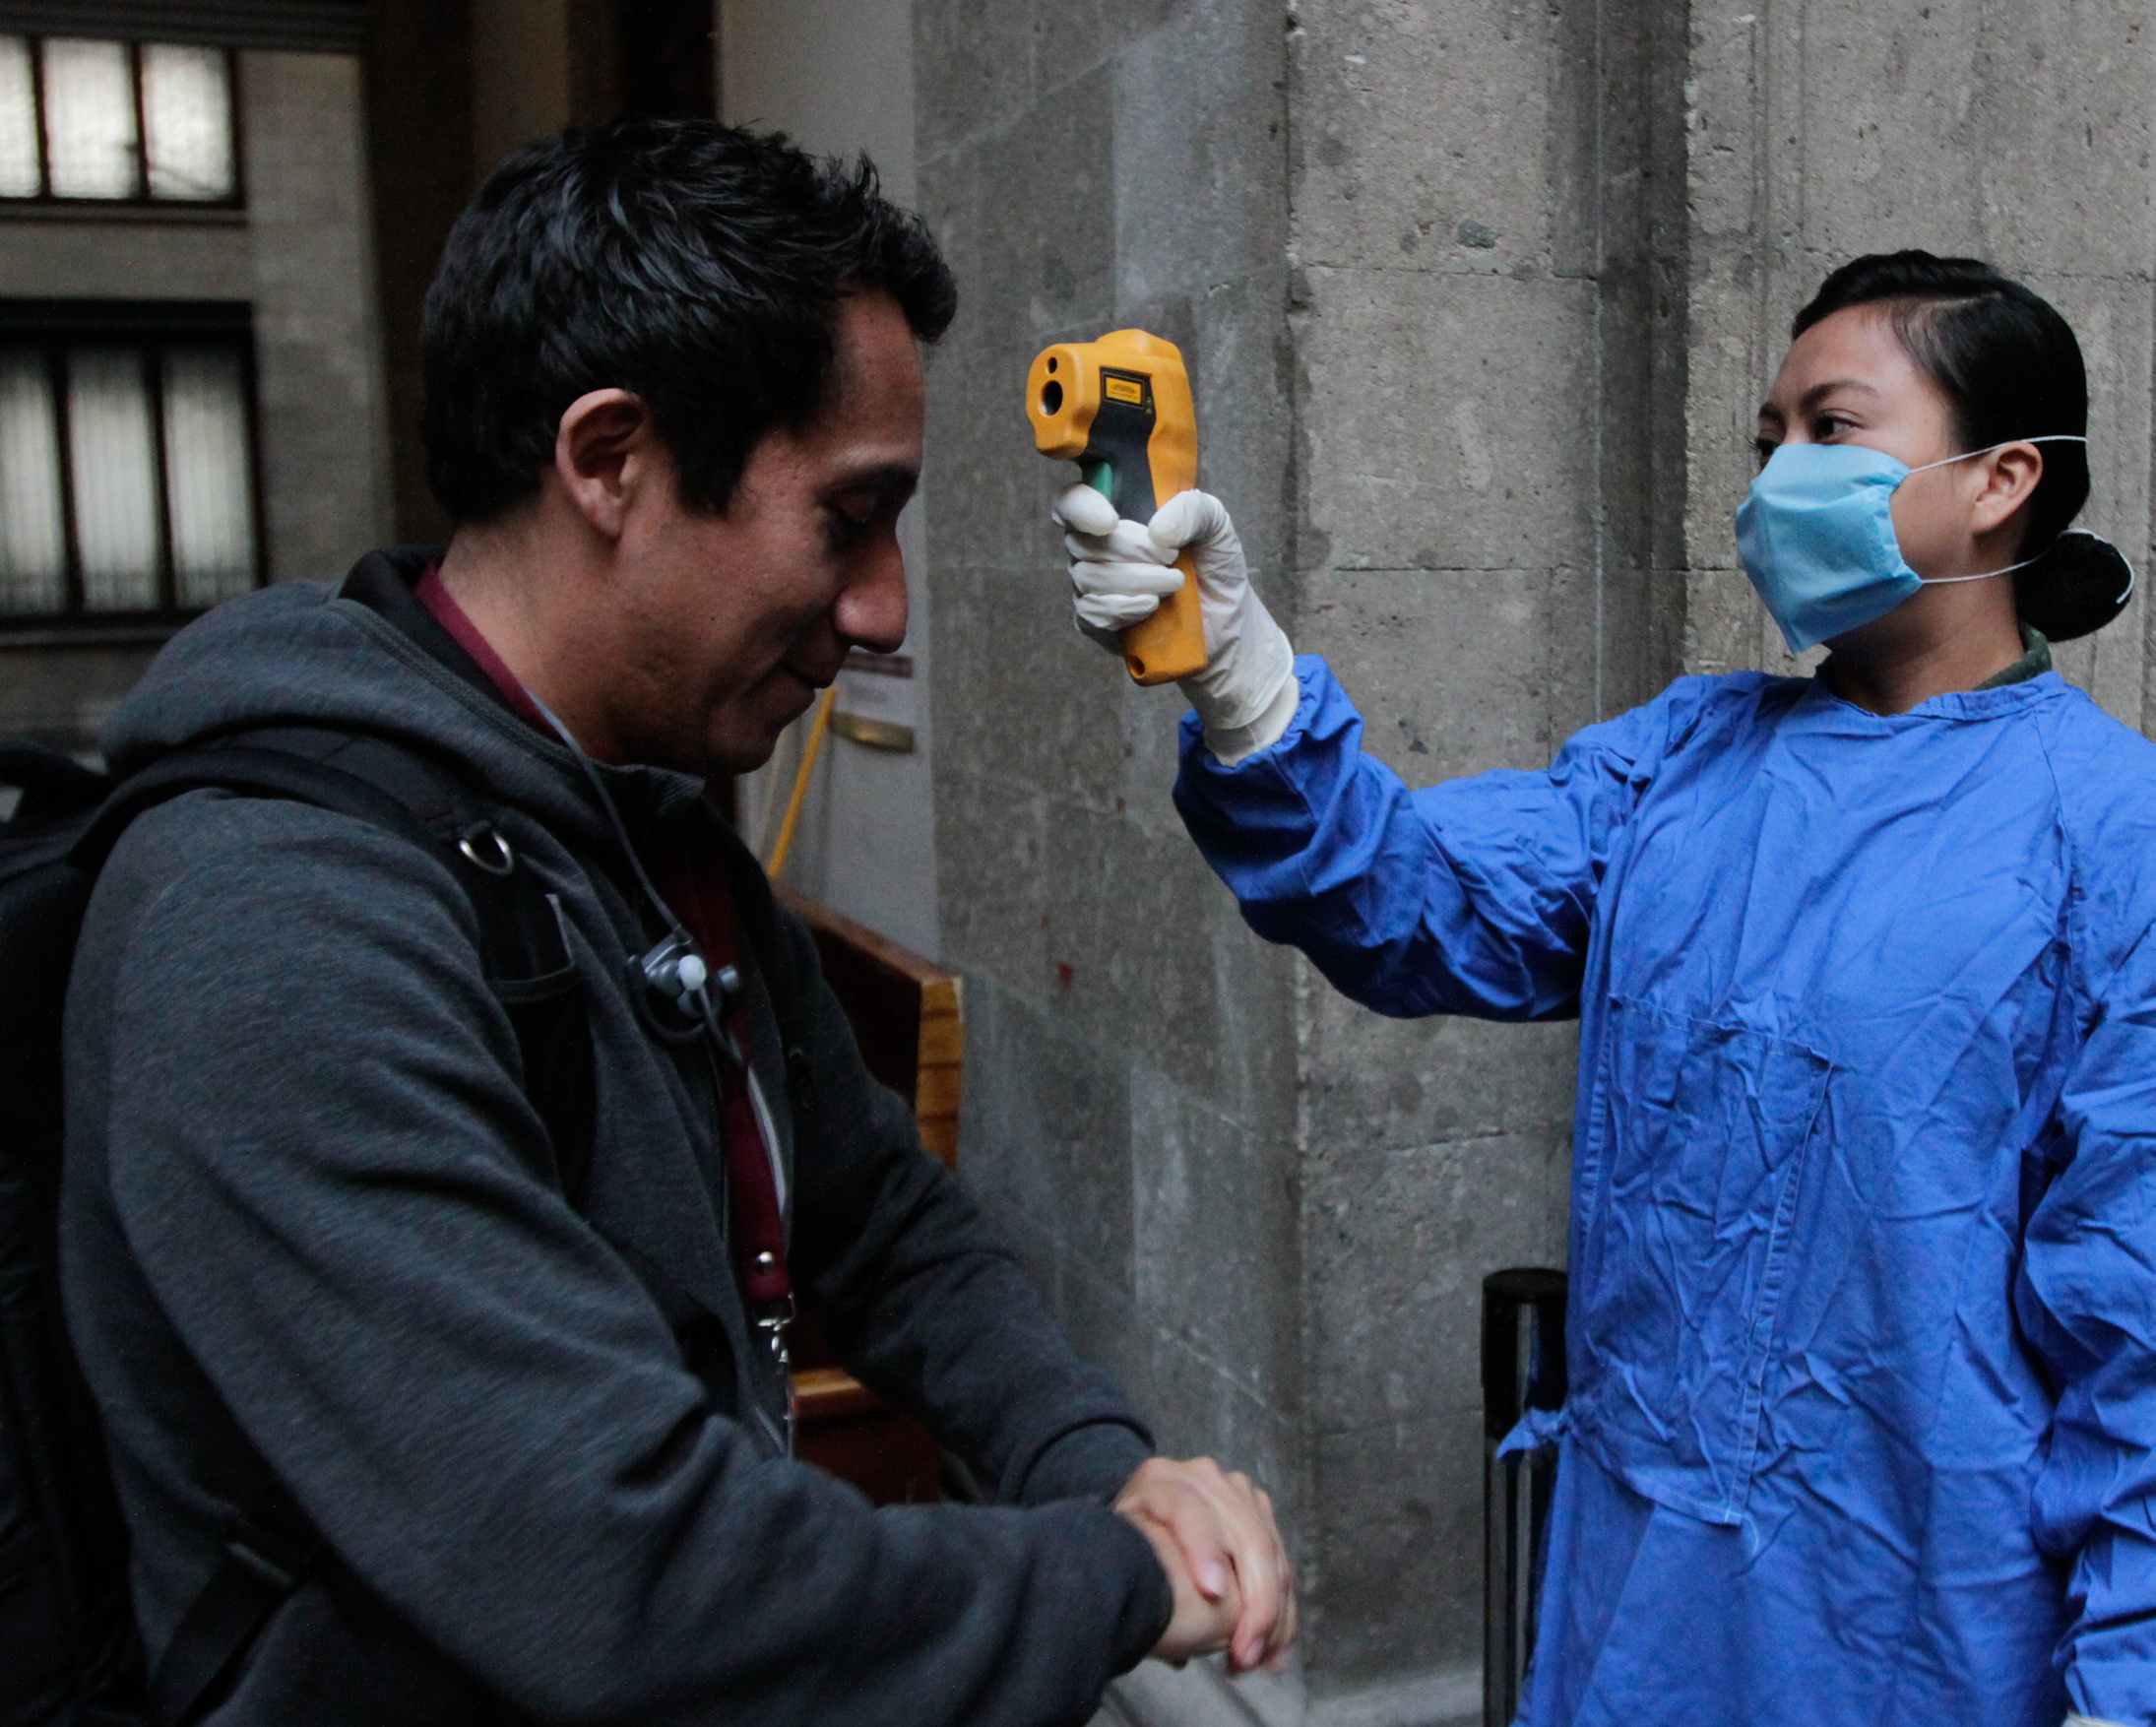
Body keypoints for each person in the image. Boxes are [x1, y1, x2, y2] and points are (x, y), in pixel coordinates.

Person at [61, 118, 1294, 1725]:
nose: (884, 610)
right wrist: (1118, 1579)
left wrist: (1097, 1458)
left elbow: (878, 1225)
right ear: (610, 460)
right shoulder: (272, 923)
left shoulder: (634, 828)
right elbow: (628, 1576)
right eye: (846, 519)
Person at [1053, 250, 2149, 1725]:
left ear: (2000, 476)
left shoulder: (2107, 833)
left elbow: (2133, 1332)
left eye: (1831, 431)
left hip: (1923, 1630)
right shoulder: (1685, 761)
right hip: (1636, 1605)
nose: (1774, 482)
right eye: (1765, 442)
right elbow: (1412, 901)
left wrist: (2120, 1688)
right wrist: (1238, 676)